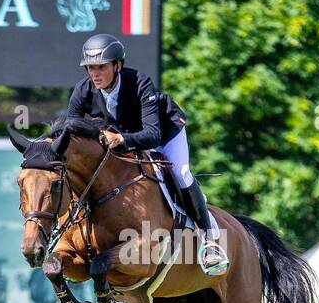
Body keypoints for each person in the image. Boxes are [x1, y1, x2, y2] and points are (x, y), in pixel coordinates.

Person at [65, 33, 230, 276]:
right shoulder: (83, 90)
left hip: (165, 133)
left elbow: (152, 134)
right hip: (127, 141)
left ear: (117, 65)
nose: (95, 74)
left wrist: (122, 139)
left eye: (101, 67)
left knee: (181, 173)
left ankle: (210, 240)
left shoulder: (139, 83)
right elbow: (71, 131)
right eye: (90, 68)